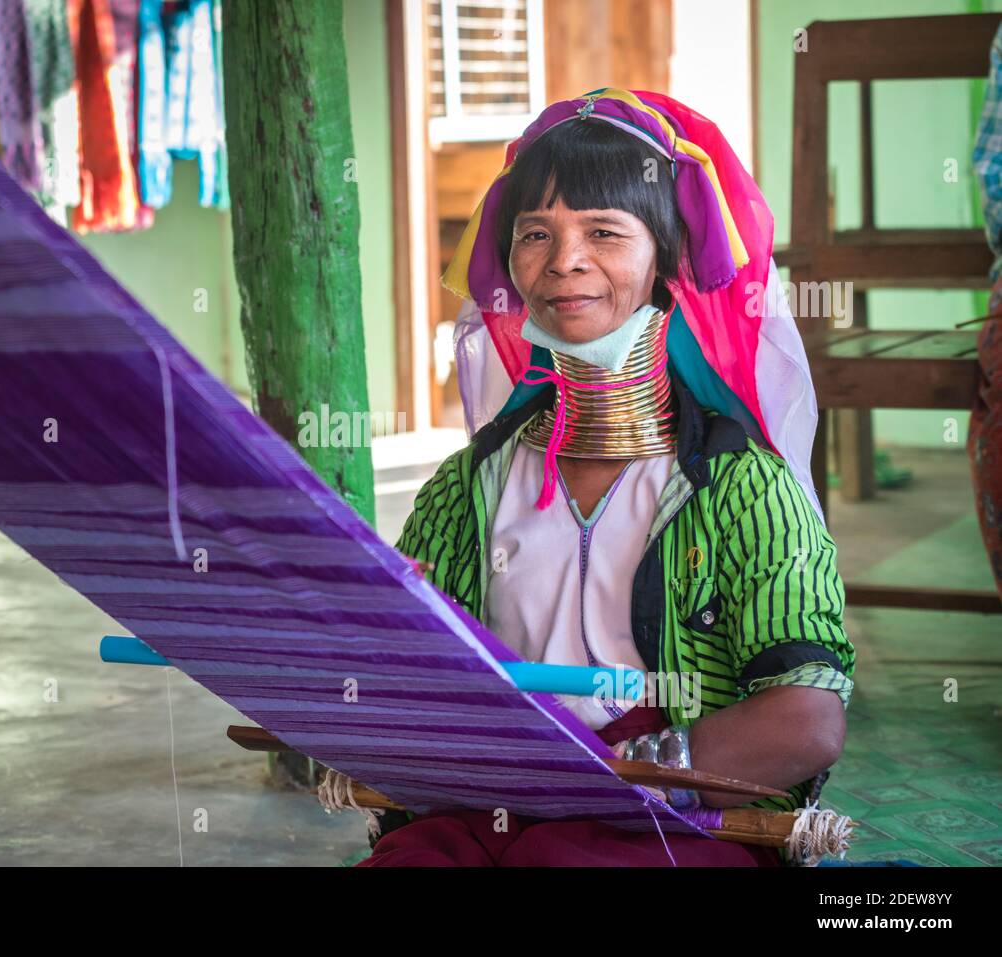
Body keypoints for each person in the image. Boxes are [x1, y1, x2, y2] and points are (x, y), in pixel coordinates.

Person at [357, 89, 856, 867]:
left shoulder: (744, 490)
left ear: (665, 260)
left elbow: (807, 720)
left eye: (603, 232)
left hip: (668, 808)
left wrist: (632, 775)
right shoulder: (467, 489)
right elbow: (406, 673)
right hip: (494, 798)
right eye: (536, 234)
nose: (564, 262)